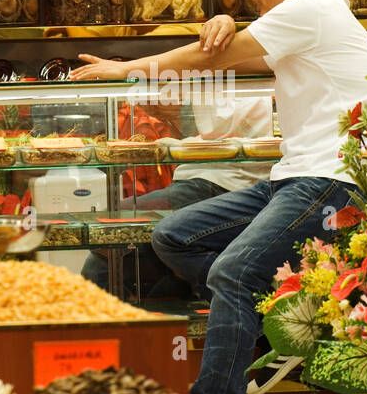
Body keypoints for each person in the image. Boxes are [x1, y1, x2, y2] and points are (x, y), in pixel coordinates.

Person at [71, 0, 367, 394]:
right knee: (171, 236)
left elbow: (211, 57)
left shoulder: (314, 6)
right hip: (294, 178)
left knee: (234, 274)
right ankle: (278, 306)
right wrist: (221, 25)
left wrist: (124, 69)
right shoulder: (310, 20)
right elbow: (225, 56)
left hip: (334, 181)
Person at [80, 96, 274, 300]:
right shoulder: (210, 80)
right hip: (201, 178)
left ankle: (248, 303)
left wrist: (171, 94)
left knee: (113, 228)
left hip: (225, 182)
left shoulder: (231, 78)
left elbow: (221, 129)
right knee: (109, 246)